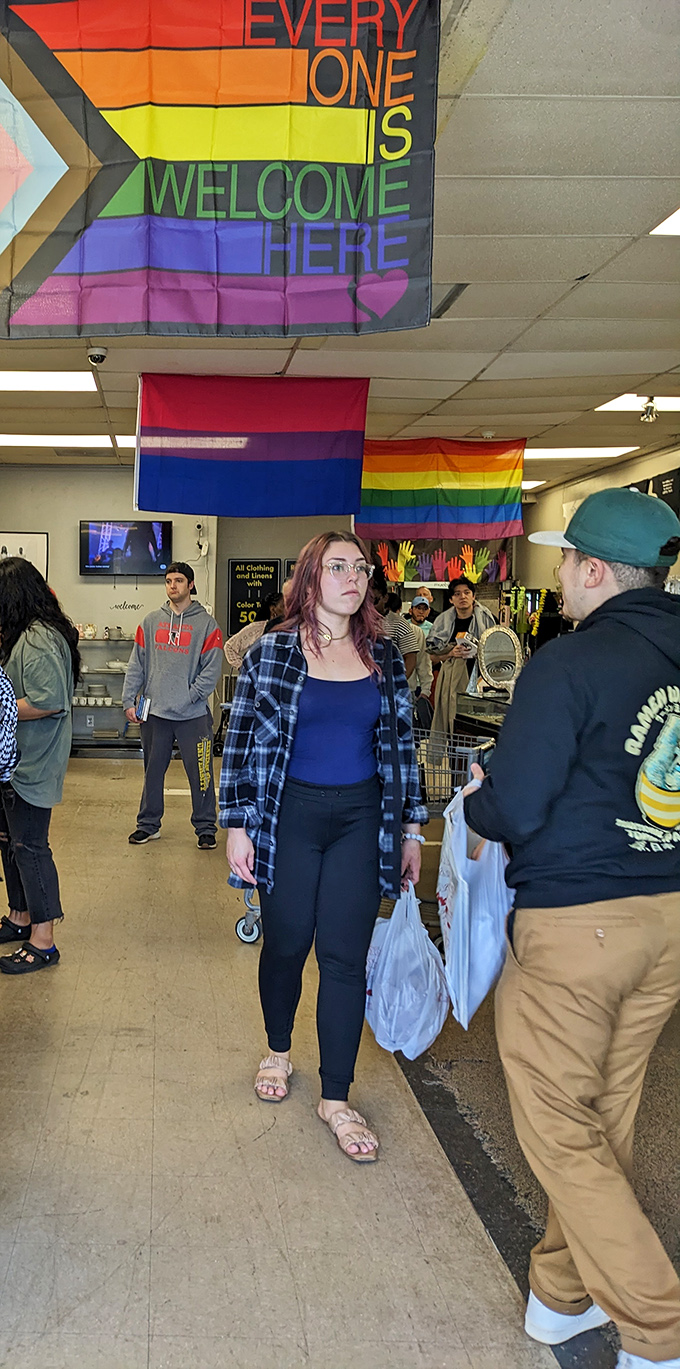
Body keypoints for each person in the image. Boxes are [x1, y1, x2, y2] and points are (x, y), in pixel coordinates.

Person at [463, 488, 680, 1369]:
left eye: (564, 560)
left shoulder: (570, 662)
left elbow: (514, 803)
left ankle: (658, 1327)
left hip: (579, 925)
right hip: (666, 917)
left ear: (595, 570)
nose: (555, 576)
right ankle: (562, 1292)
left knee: (555, 1120)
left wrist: (481, 801)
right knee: (604, 1111)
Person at [219, 532, 427, 1162]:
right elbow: (240, 741)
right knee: (286, 944)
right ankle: (278, 1051)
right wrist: (237, 824)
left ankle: (336, 1097)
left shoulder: (384, 656)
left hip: (363, 819)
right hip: (289, 817)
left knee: (343, 956)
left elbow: (401, 747)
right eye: (337, 566)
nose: (352, 577)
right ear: (310, 579)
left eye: (360, 568)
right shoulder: (271, 654)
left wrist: (412, 830)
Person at [0, 558, 79, 973]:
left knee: (30, 848)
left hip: (33, 763)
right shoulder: (23, 635)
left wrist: (3, 707)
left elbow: (48, 700)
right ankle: (20, 916)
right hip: (13, 761)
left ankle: (43, 941)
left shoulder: (38, 638)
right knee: (10, 842)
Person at [123, 561, 223, 849]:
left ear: (190, 585)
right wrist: (129, 699)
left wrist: (190, 696)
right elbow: (136, 665)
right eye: (168, 581)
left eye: (179, 580)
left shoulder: (207, 626)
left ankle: (206, 828)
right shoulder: (150, 622)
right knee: (152, 771)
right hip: (155, 714)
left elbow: (211, 669)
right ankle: (148, 825)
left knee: (202, 772)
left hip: (193, 716)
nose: (173, 586)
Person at [427, 577, 496, 734]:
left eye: (466, 592)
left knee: (476, 728)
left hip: (481, 680)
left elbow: (497, 652)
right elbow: (432, 657)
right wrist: (451, 653)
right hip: (451, 680)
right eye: (457, 594)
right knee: (453, 727)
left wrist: (479, 653)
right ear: (451, 599)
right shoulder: (442, 623)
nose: (462, 597)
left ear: (474, 596)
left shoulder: (487, 620)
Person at [223, 589, 284, 672]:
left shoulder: (290, 629)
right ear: (273, 609)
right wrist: (245, 669)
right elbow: (229, 646)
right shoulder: (258, 628)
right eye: (283, 606)